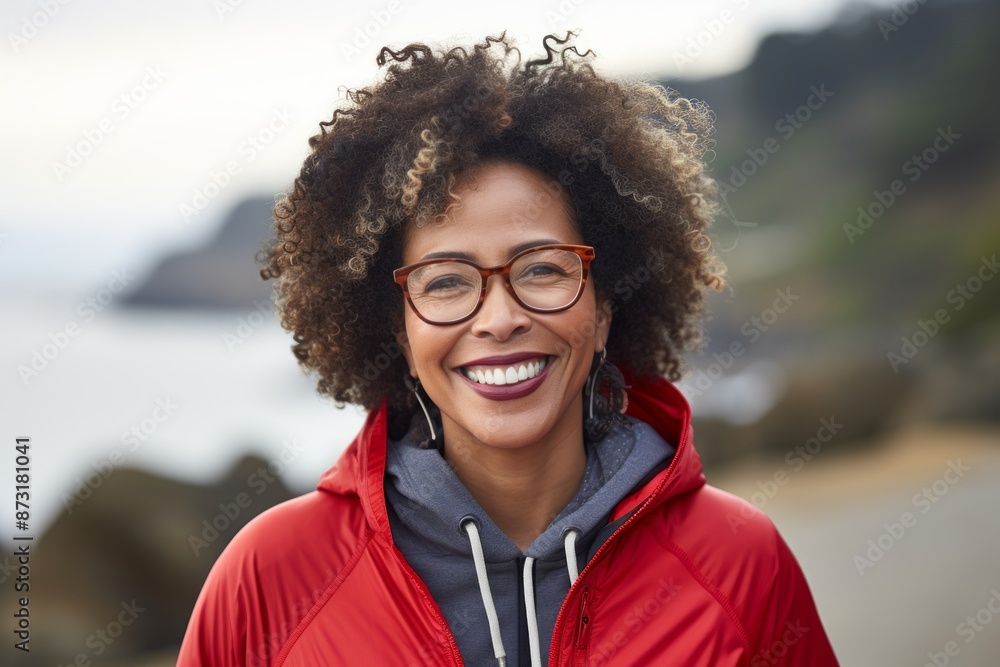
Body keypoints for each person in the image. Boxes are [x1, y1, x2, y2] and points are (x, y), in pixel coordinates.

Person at [177, 31, 839, 666]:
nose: (500, 318)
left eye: (542, 269)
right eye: (445, 282)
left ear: (604, 306)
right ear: (398, 329)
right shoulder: (270, 578)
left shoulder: (739, 561)